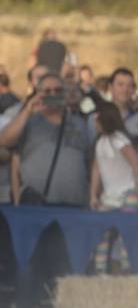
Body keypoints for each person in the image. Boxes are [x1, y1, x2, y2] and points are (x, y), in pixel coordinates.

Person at [0, 73, 90, 207]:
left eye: (58, 90)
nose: (53, 94)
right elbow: (5, 141)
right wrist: (27, 111)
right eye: (47, 91)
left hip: (75, 207)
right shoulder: (28, 121)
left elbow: (90, 162)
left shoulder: (80, 123)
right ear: (38, 93)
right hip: (37, 207)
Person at [90, 102, 138, 211]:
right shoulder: (100, 142)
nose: (93, 120)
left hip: (128, 194)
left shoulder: (119, 139)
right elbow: (96, 169)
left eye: (95, 116)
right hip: (109, 197)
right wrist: (93, 196)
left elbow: (136, 162)